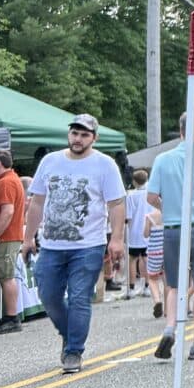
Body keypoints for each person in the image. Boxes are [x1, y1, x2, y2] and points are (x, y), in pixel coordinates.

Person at [24, 115, 127, 374]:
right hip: (51, 244)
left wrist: (117, 239)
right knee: (48, 296)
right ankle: (69, 334)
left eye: (84, 134)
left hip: (88, 244)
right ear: (68, 134)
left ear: (94, 138)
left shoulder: (105, 164)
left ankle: (73, 351)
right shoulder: (50, 161)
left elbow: (116, 204)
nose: (78, 139)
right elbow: (37, 202)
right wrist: (28, 237)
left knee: (80, 297)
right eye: (74, 133)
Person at [147, 112, 194, 362]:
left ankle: (170, 327)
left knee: (174, 284)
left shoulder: (162, 159)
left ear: (180, 128)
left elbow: (151, 196)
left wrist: (168, 207)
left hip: (173, 227)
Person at [0, 150, 27, 334]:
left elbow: (7, 211)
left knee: (6, 277)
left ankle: (11, 318)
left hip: (6, 237)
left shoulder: (6, 182)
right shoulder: (10, 180)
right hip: (9, 236)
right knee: (5, 276)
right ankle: (10, 316)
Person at [123, 168, 151, 298]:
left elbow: (128, 216)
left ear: (134, 181)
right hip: (148, 230)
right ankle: (147, 287)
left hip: (134, 232)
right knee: (146, 259)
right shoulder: (150, 194)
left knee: (133, 259)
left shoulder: (131, 196)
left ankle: (132, 288)